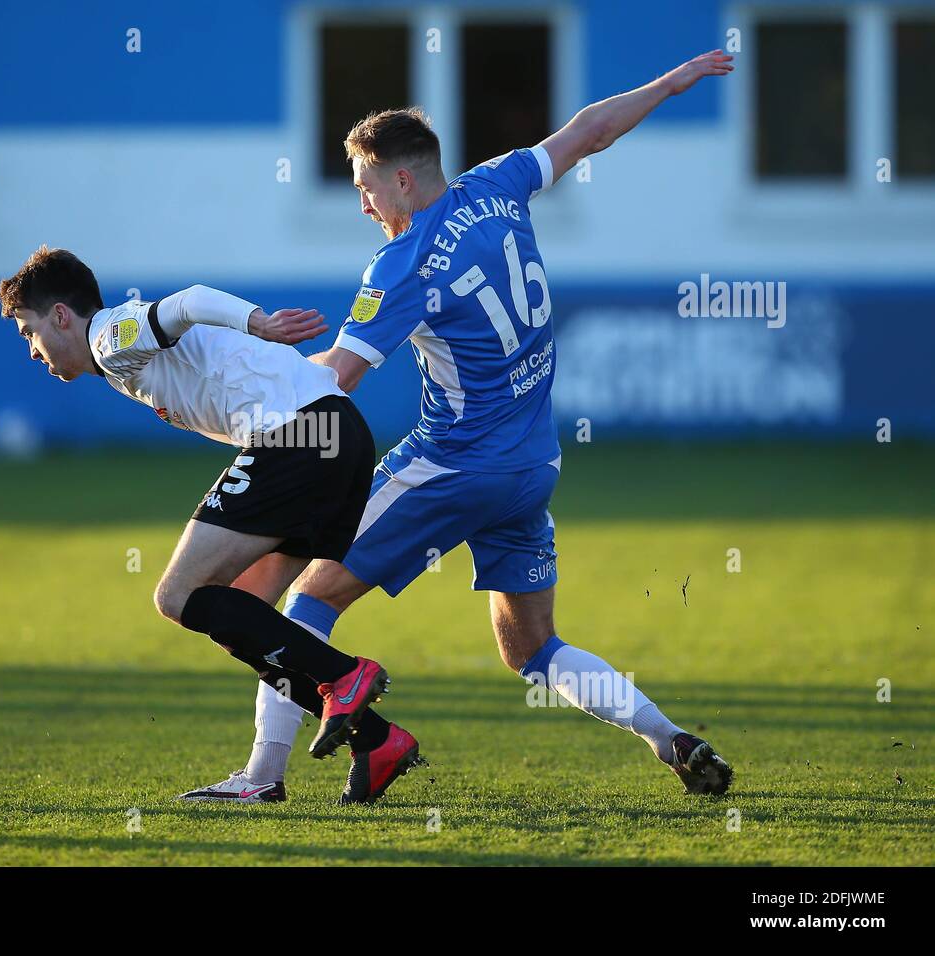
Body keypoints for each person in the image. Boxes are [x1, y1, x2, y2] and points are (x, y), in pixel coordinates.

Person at [181, 51, 736, 804]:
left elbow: (331, 380)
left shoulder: (402, 263)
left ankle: (261, 777)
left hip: (454, 462)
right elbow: (588, 133)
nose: (364, 206)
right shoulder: (498, 185)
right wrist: (670, 85)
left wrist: (215, 395)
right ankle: (667, 737)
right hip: (532, 467)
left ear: (402, 179)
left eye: (366, 188)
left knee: (308, 596)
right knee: (531, 648)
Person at [0, 246, 425, 805]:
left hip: (297, 440)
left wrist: (260, 323)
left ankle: (345, 678)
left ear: (60, 316)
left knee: (177, 595)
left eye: (29, 330)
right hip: (337, 439)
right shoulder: (122, 357)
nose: (33, 350)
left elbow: (190, 301)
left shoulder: (107, 335)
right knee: (241, 615)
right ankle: (361, 744)